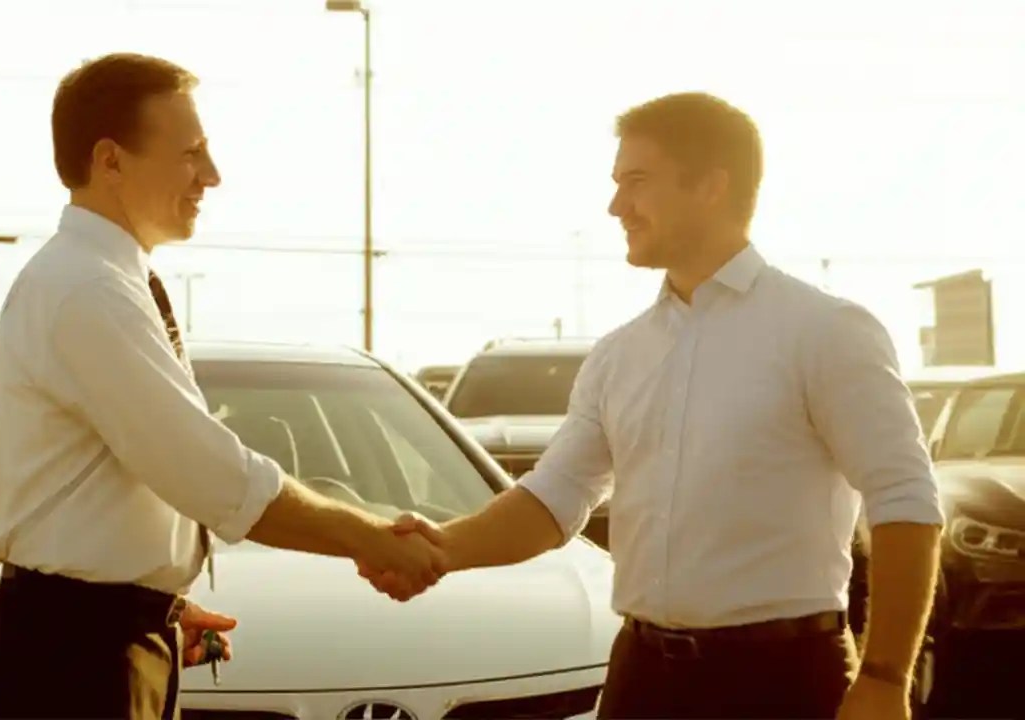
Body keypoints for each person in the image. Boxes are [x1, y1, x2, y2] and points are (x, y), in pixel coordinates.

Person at [361, 92, 944, 719]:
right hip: (641, 680)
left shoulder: (825, 331)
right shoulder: (619, 354)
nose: (616, 206)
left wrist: (885, 677)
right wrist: (441, 548)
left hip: (782, 683)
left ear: (712, 185)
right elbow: (553, 498)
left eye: (636, 182)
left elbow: (905, 498)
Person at [0, 52, 445, 720]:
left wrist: (155, 606)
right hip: (71, 662)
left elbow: (110, 484)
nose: (211, 175)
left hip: (94, 643)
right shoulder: (89, 290)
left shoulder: (102, 279)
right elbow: (208, 473)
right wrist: (370, 536)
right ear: (110, 160)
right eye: (191, 153)